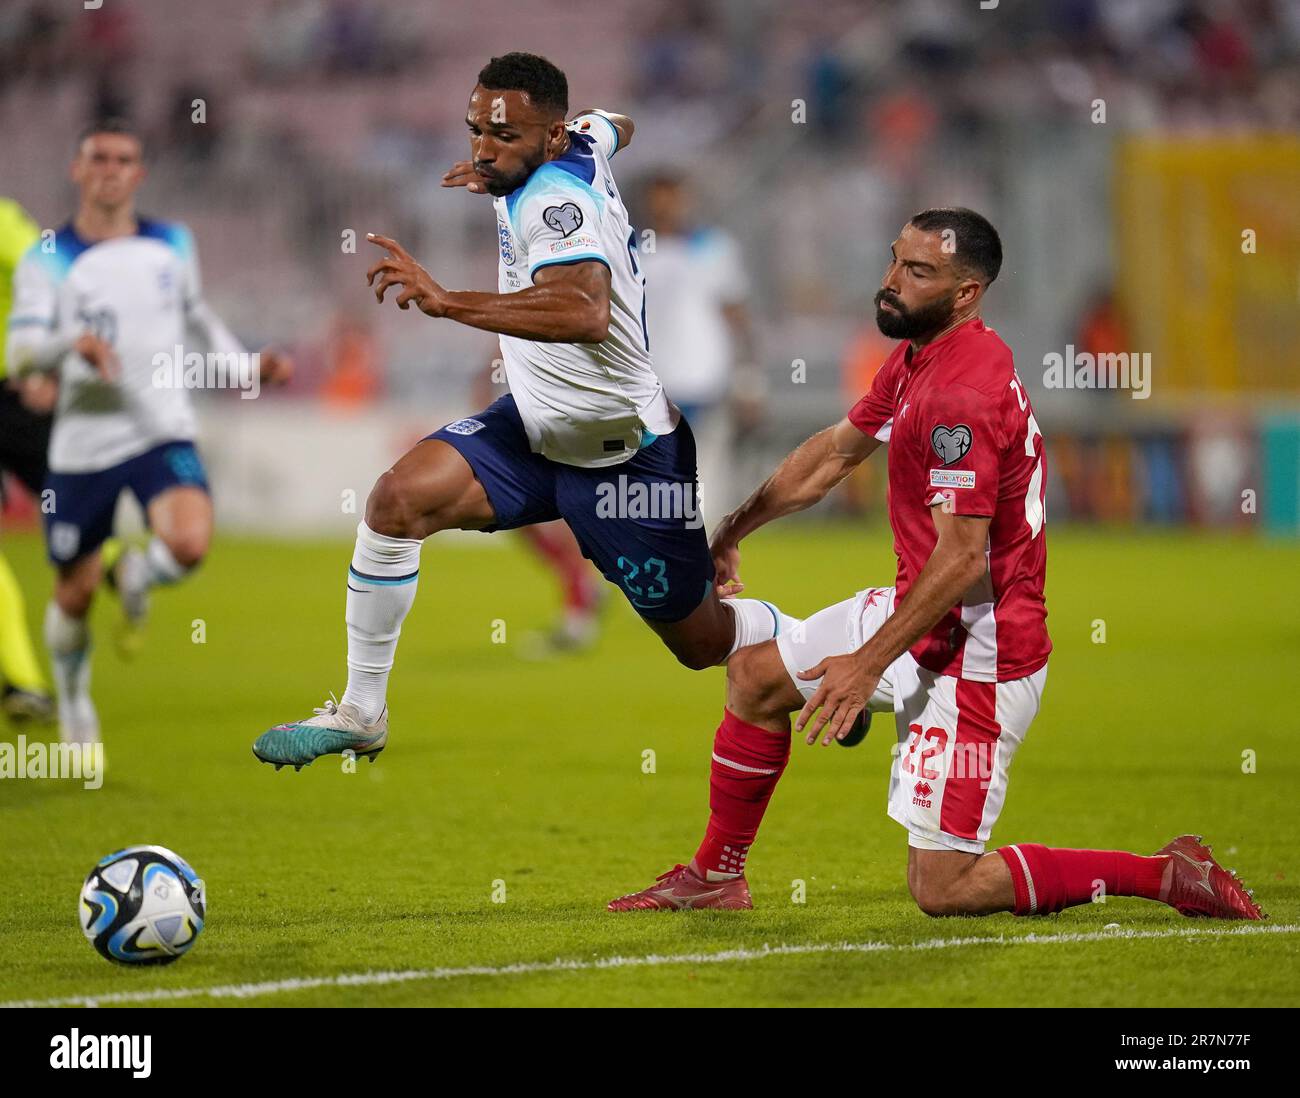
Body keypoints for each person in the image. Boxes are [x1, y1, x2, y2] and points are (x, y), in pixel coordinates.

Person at [609, 208, 1263, 922]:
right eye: (895, 260)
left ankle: (1166, 874)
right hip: (916, 610)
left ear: (966, 293)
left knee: (943, 889)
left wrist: (862, 666)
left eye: (917, 272)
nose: (890, 283)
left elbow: (962, 560)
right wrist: (737, 525)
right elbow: (833, 454)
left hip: (979, 655)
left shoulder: (960, 396)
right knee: (755, 677)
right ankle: (715, 877)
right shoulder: (923, 354)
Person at [253, 53, 797, 769]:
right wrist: (531, 152)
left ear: (551, 137)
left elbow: (584, 310)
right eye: (477, 129)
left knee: (699, 641)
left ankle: (830, 654)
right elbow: (618, 124)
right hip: (536, 430)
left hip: (626, 454)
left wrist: (449, 301)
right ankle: (362, 712)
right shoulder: (583, 142)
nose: (483, 148)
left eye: (504, 138)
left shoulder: (553, 201)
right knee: (395, 502)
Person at [5, 119, 291, 744]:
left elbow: (196, 320)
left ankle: (138, 574)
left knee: (188, 543)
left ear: (139, 174)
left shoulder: (172, 243)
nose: (110, 169)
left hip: (162, 427)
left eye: (123, 159)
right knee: (75, 591)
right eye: (98, 158)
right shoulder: (45, 257)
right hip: (84, 441)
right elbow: (21, 353)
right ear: (78, 170)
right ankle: (76, 697)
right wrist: (67, 345)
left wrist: (247, 366)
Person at [639, 172, 764, 519]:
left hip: (704, 381)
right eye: (659, 199)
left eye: (673, 197)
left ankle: (701, 562)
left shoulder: (713, 248)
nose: (666, 207)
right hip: (650, 385)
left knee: (702, 482)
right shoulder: (630, 249)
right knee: (653, 487)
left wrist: (749, 381)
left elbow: (737, 316)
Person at [0, 196, 55, 723]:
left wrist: (44, 361)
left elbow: (43, 273)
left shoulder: (4, 222)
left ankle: (117, 566)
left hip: (11, 392)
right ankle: (23, 681)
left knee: (64, 501)